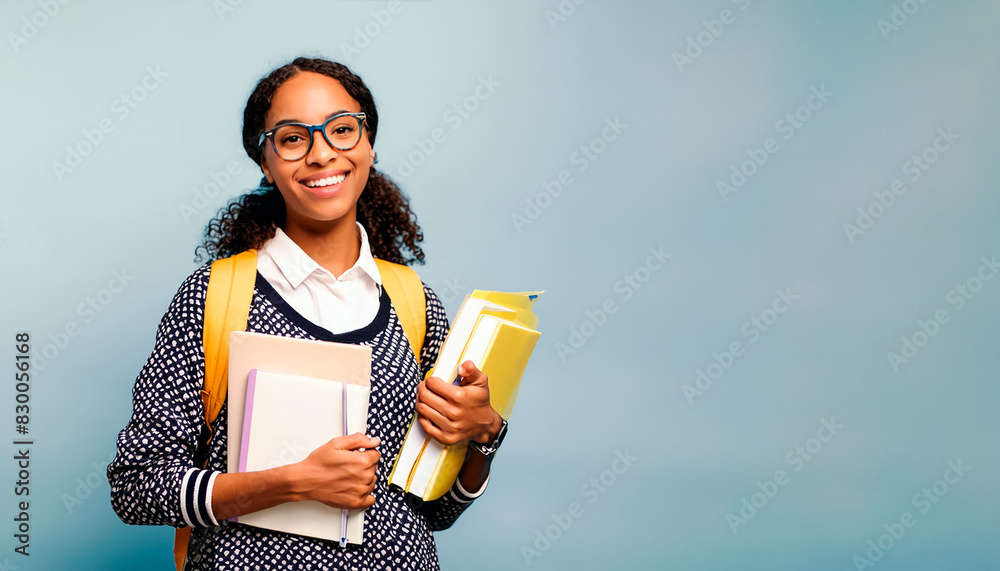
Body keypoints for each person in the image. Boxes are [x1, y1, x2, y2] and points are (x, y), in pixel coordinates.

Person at [107, 56, 507, 570]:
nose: (323, 154)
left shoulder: (415, 304)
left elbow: (432, 511)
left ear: (368, 144)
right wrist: (290, 482)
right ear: (265, 161)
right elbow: (137, 486)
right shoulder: (215, 297)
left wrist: (482, 436)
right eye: (294, 138)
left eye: (342, 130)